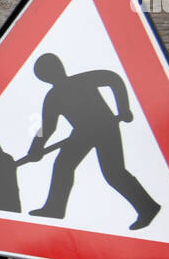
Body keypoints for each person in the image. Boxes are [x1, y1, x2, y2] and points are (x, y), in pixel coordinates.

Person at [20, 53, 160, 230]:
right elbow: (47, 127)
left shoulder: (81, 80)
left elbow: (114, 79)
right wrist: (36, 148)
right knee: (63, 165)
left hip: (105, 127)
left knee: (113, 173)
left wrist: (123, 108)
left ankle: (148, 207)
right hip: (82, 133)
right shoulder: (53, 97)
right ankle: (55, 208)